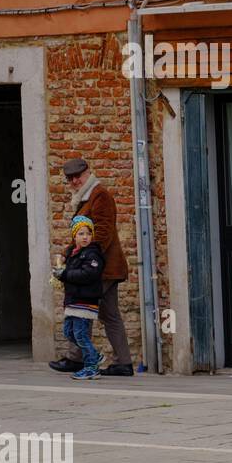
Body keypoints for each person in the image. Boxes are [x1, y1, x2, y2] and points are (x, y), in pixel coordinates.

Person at [49, 158, 134, 376]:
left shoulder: (99, 195)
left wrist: (84, 259)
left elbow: (103, 232)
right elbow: (82, 234)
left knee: (80, 308)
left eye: (79, 176)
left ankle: (76, 358)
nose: (75, 180)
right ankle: (122, 362)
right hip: (101, 266)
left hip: (101, 268)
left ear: (88, 173)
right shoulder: (86, 196)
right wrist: (69, 253)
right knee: (109, 315)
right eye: (70, 178)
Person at [53, 216, 106, 381]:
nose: (85, 237)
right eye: (81, 234)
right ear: (74, 236)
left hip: (85, 300)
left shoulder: (93, 254)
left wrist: (65, 274)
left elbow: (88, 274)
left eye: (88, 234)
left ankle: (91, 367)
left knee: (81, 334)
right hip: (73, 300)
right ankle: (94, 356)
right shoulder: (74, 254)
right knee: (69, 332)